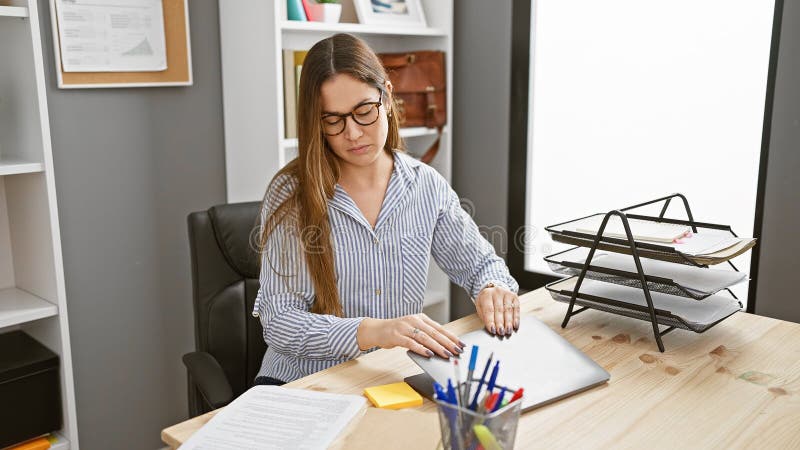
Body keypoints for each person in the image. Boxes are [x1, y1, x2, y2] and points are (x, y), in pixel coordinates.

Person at [252, 33, 519, 385]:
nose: (353, 133)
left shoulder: (425, 185)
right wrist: (373, 332)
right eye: (333, 120)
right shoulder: (291, 194)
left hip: (389, 380)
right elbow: (280, 322)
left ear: (388, 97)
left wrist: (492, 288)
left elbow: (481, 265)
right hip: (302, 383)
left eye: (364, 111)